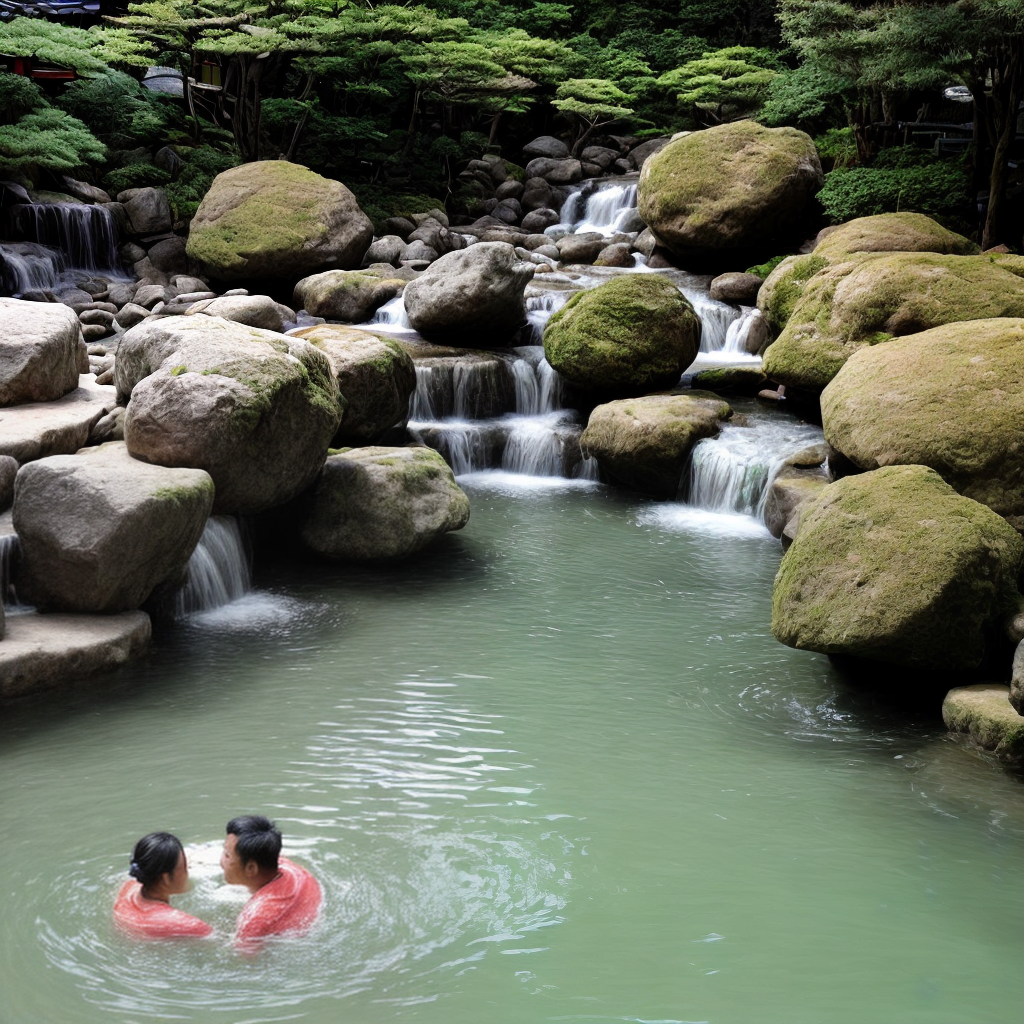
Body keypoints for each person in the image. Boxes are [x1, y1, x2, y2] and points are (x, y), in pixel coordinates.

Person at [220, 815, 322, 947]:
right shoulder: (294, 870)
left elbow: (243, 961)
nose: (221, 861)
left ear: (251, 868)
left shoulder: (254, 921)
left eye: (227, 855)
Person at [113, 832, 212, 939]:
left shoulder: (128, 887)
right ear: (166, 878)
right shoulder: (186, 924)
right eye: (184, 867)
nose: (187, 872)